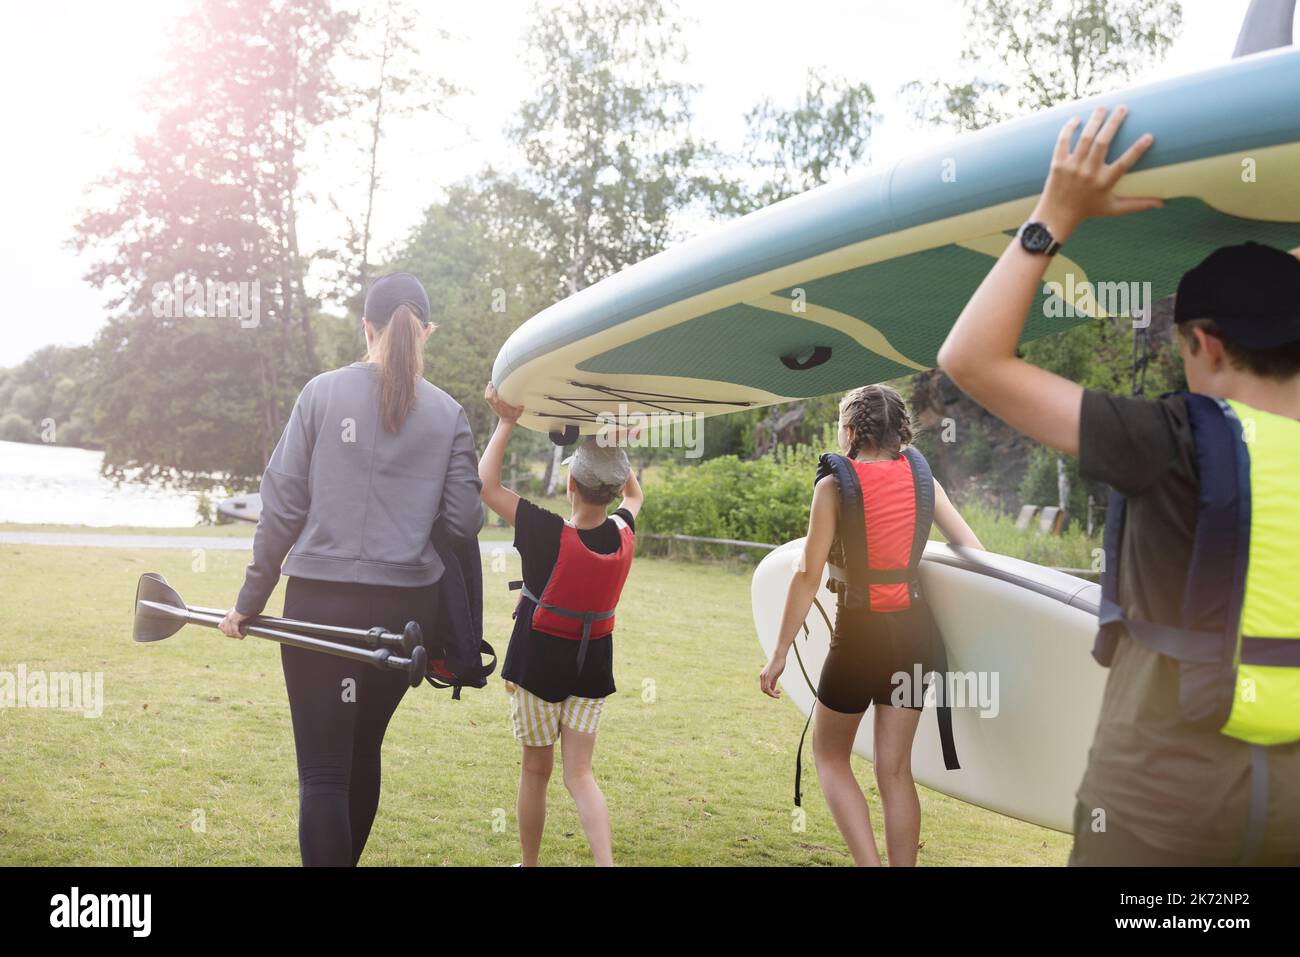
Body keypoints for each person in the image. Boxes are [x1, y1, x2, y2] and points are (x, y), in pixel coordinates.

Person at [936, 105, 1300, 865]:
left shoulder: (1168, 440)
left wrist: (1053, 214)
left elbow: (971, 358)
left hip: (1163, 798)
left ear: (1203, 341)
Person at [218, 272, 483, 866]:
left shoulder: (321, 394)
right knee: (362, 755)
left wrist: (249, 601)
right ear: (427, 331)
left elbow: (281, 508)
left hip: (320, 608)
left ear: (367, 327)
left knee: (323, 774)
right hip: (407, 614)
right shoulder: (449, 414)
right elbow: (465, 521)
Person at [760, 385, 984, 866]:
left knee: (831, 756)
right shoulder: (924, 481)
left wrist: (779, 653)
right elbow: (973, 549)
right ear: (899, 430)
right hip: (914, 637)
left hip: (860, 638)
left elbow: (807, 574)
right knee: (895, 770)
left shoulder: (833, 486)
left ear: (850, 431)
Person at [478, 385, 643, 867]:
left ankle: (529, 865)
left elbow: (486, 485)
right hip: (593, 667)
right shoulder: (623, 529)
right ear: (613, 492)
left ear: (570, 485)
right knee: (581, 774)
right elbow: (634, 492)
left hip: (539, 664)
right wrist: (612, 444)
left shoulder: (544, 529)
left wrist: (506, 421)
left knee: (535, 769)